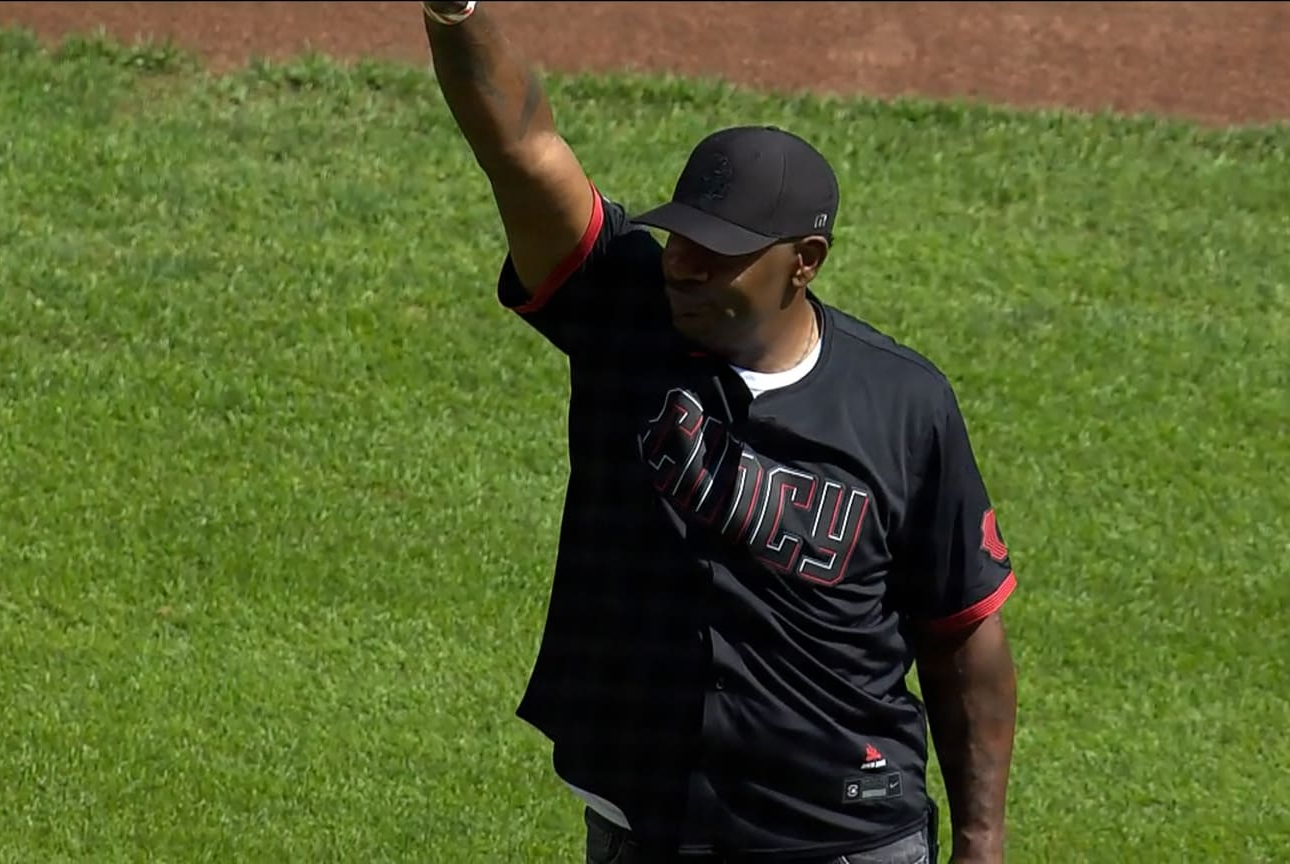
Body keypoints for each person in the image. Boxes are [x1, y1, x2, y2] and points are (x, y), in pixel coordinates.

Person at [420, 3, 1019, 862]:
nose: (685, 263)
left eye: (723, 250)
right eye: (681, 237)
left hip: (844, 835)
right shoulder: (625, 314)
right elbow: (520, 145)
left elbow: (965, 628)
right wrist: (457, 10)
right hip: (649, 825)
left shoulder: (903, 405)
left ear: (803, 263)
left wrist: (983, 845)